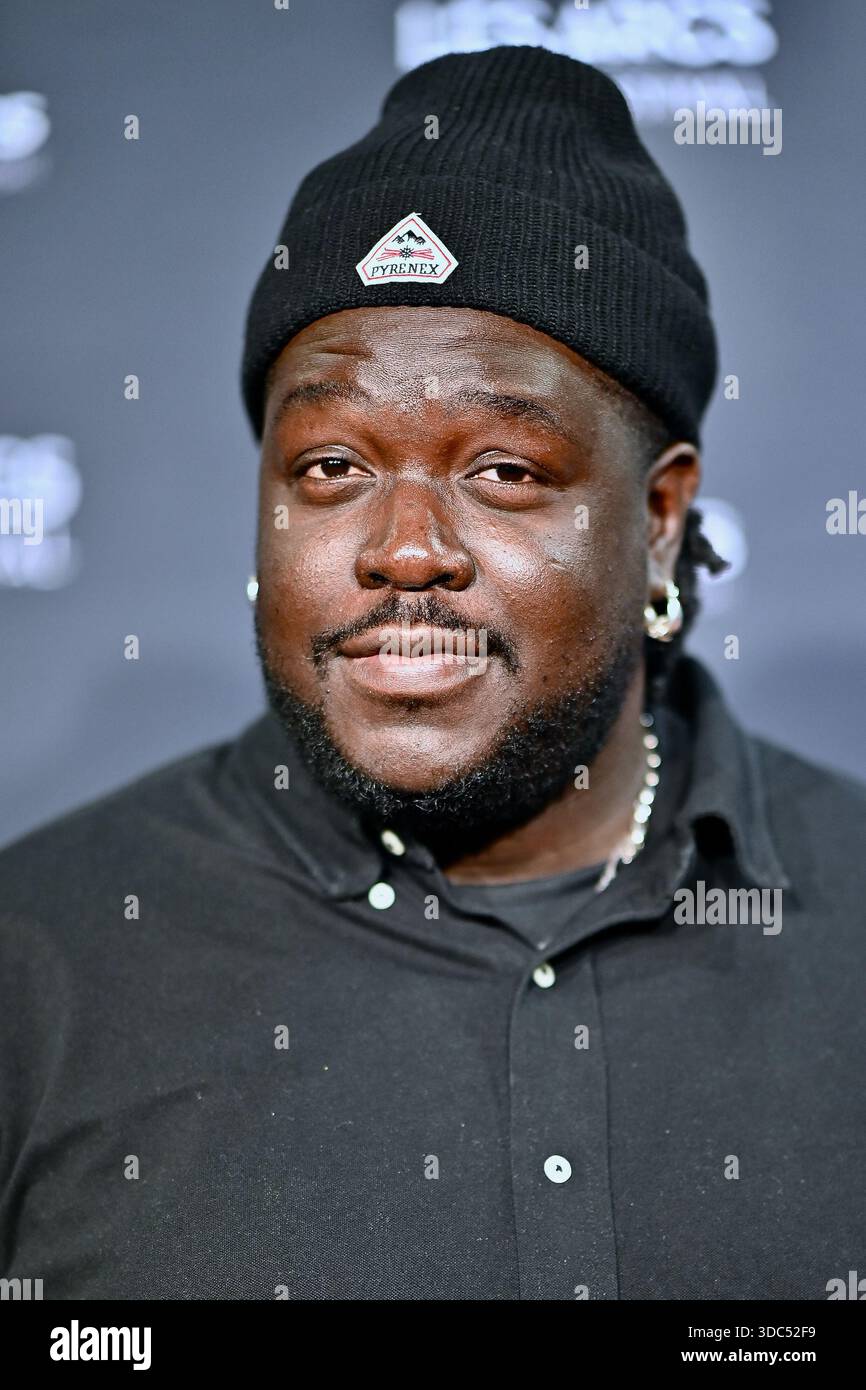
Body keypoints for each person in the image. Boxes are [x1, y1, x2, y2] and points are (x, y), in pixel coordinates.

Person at [1, 45, 863, 1302]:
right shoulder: (39, 954)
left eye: (504, 470)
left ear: (660, 519)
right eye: (330, 468)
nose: (404, 549)